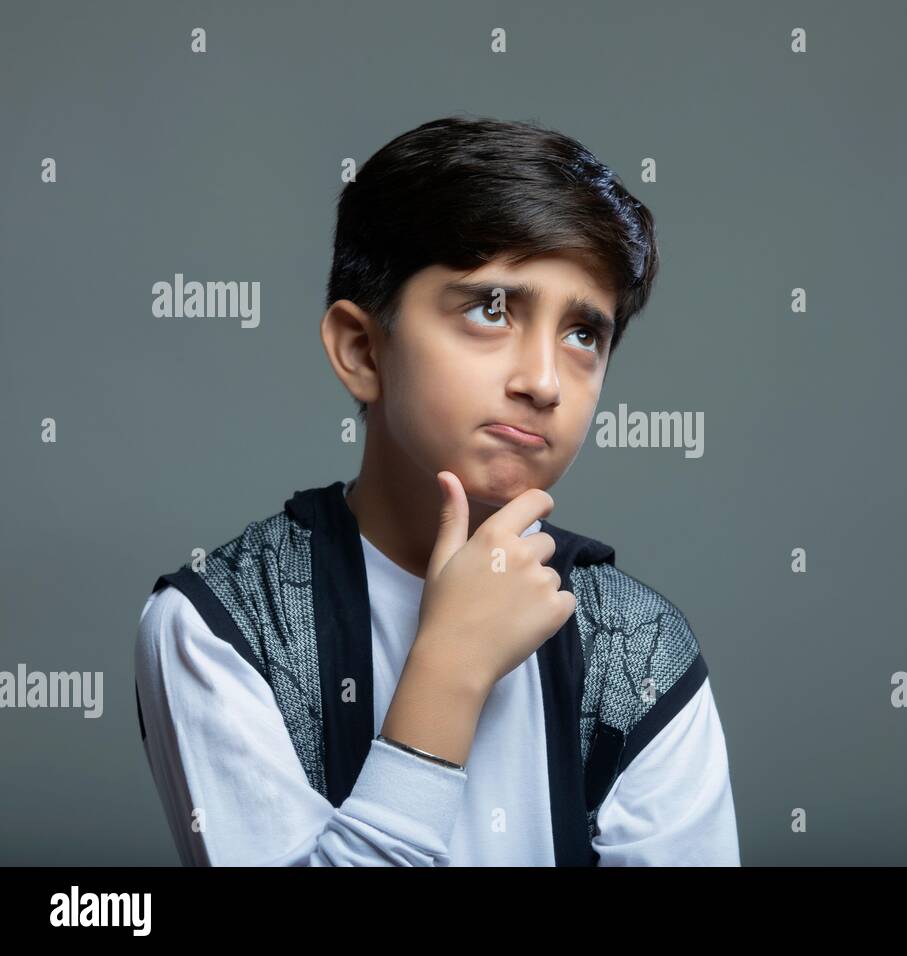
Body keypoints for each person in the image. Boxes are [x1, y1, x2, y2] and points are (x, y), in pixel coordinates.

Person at [133, 115, 740, 866]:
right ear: (362, 350)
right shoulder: (222, 626)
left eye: (584, 334)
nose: (544, 382)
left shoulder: (639, 652)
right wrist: (449, 671)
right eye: (491, 309)